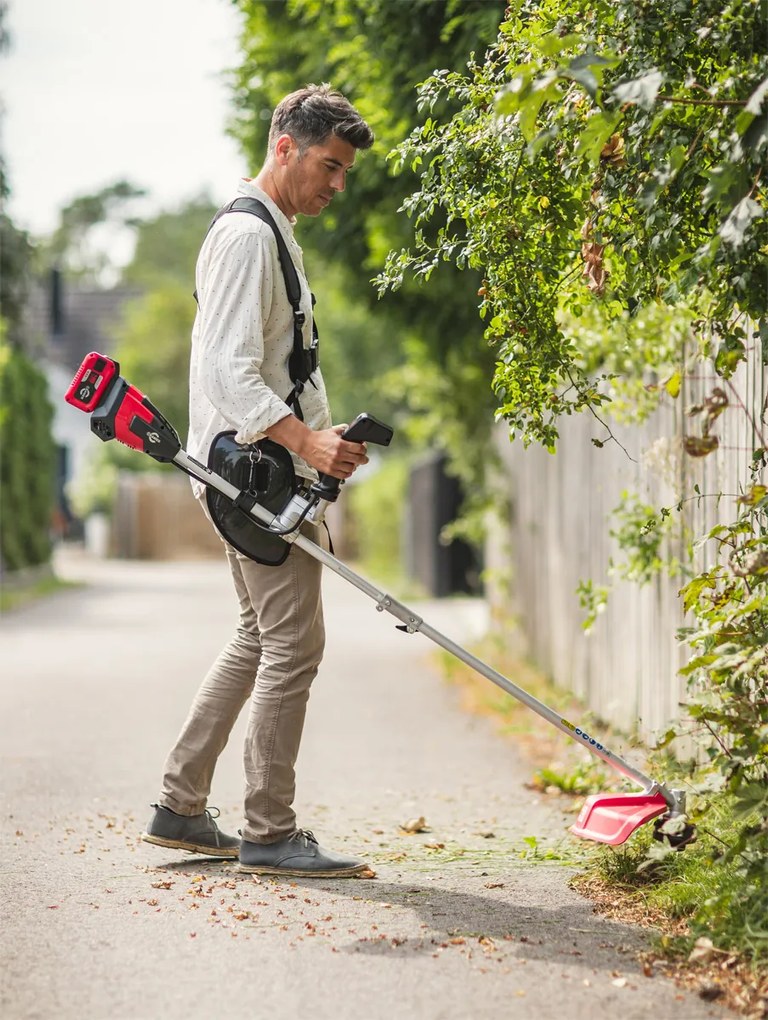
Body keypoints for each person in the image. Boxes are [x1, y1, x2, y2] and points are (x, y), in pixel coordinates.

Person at [141, 84, 375, 877]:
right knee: (294, 645)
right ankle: (269, 831)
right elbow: (230, 375)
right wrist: (306, 442)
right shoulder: (247, 237)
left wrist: (322, 438)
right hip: (254, 477)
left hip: (258, 470)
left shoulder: (272, 231)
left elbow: (273, 364)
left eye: (344, 172)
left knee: (258, 638)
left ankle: (179, 805)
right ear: (286, 148)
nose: (337, 186)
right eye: (330, 166)